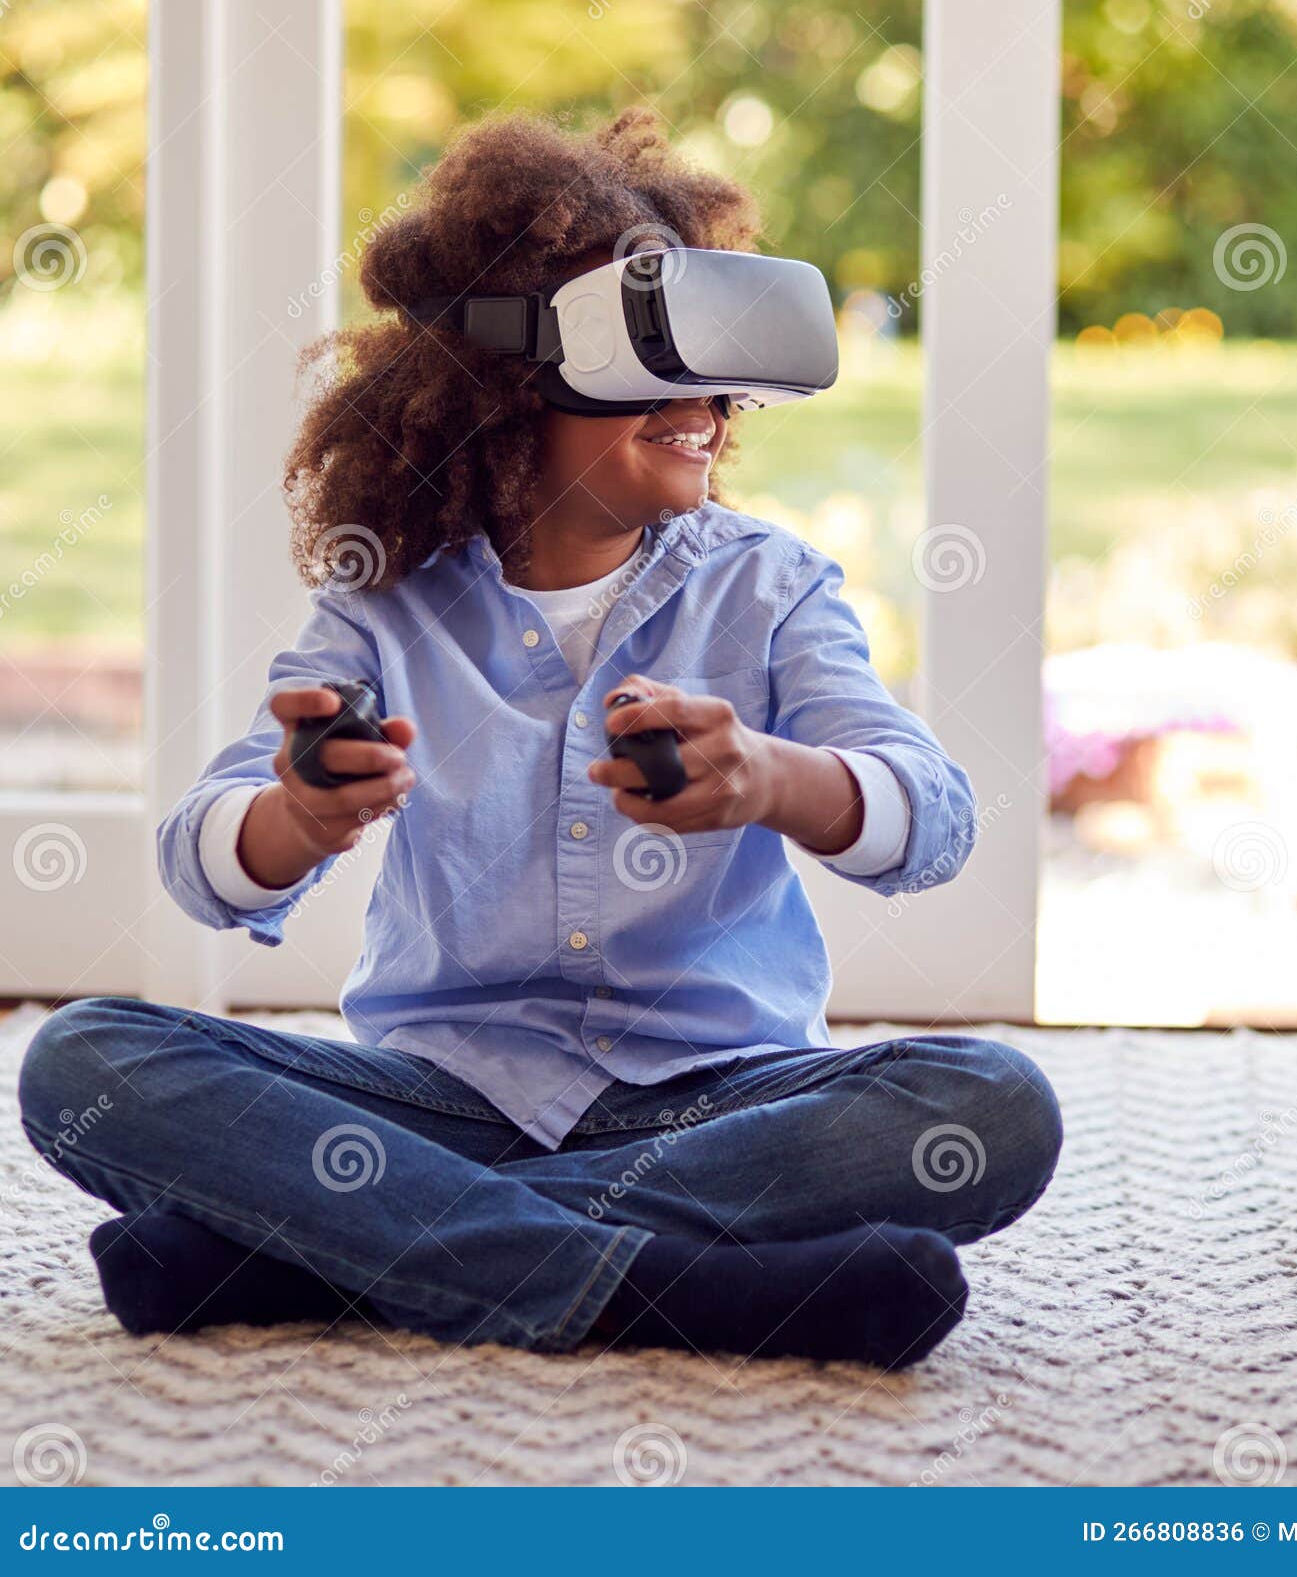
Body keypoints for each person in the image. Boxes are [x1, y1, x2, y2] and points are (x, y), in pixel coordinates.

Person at [19, 109, 1061, 1370]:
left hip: (714, 1104)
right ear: (513, 378)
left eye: (725, 370)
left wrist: (771, 779)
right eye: (666, 366)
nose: (713, 405)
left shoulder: (769, 589)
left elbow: (932, 821)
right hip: (434, 1103)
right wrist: (295, 815)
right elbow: (199, 861)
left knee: (990, 1105)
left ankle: (313, 1258)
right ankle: (679, 1289)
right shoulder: (384, 601)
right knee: (83, 1060)